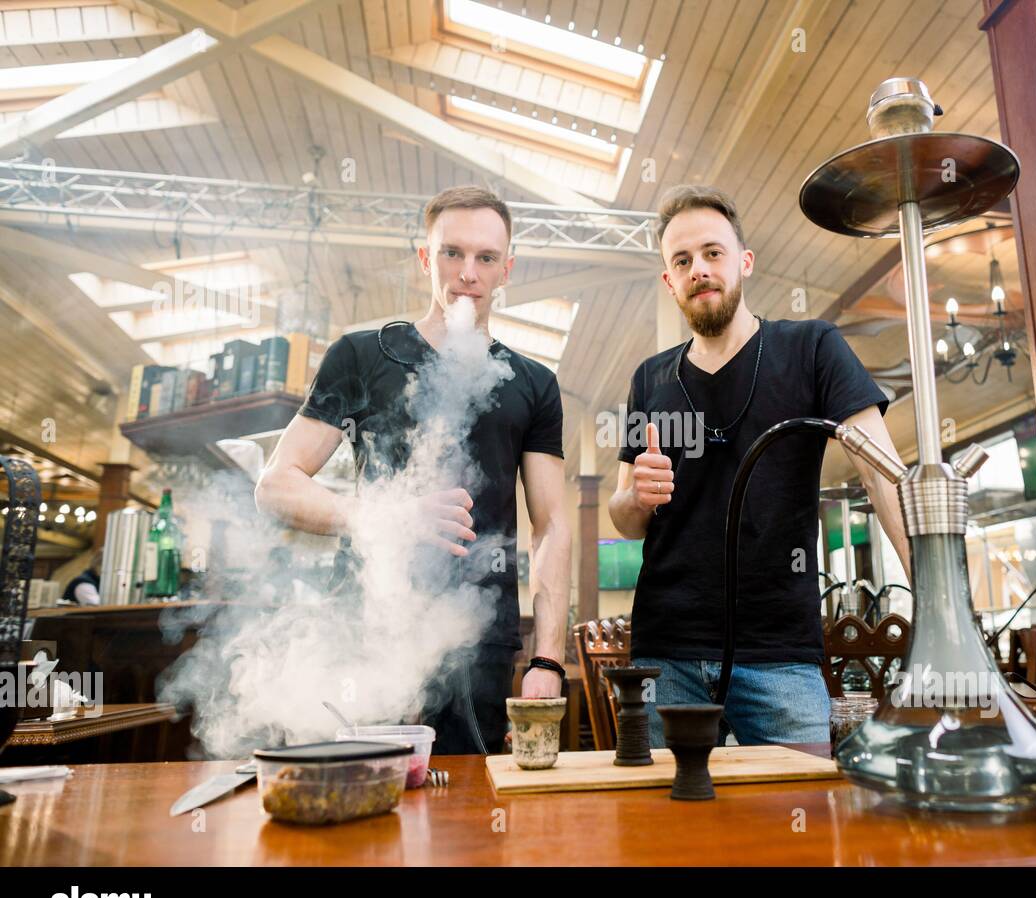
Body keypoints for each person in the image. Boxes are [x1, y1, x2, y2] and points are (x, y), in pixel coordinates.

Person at [255, 185, 571, 755]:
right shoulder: (360, 355)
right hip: (363, 626)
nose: (467, 272)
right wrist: (387, 517)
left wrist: (547, 656)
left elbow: (551, 526)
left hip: (481, 641)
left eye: (486, 258)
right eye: (451, 253)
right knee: (356, 817)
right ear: (425, 259)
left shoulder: (535, 384)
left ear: (507, 270)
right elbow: (276, 484)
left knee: (467, 827)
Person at [608, 184, 910, 747]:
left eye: (712, 252)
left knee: (797, 820)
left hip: (780, 655)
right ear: (668, 280)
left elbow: (883, 473)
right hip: (666, 651)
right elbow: (625, 518)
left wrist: (939, 604)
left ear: (744, 262)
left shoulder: (812, 347)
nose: (698, 268)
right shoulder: (650, 378)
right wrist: (636, 498)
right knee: (664, 829)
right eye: (682, 260)